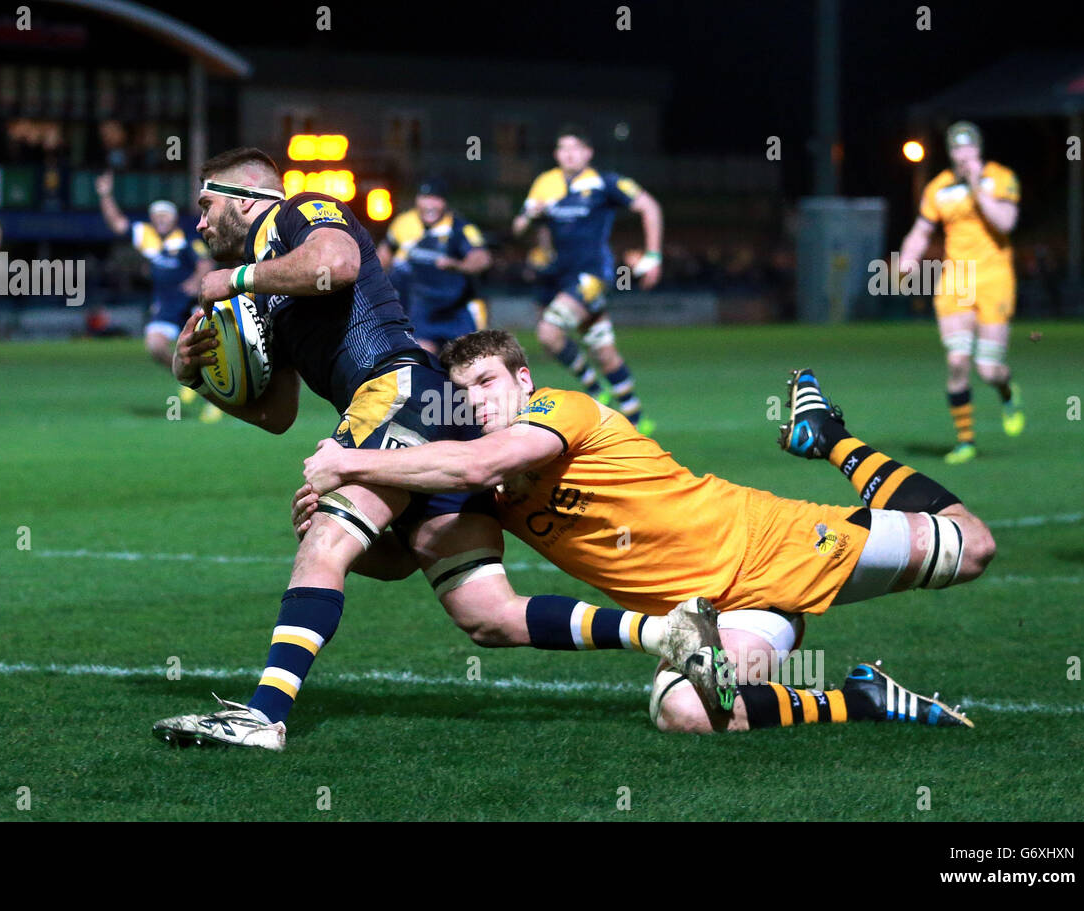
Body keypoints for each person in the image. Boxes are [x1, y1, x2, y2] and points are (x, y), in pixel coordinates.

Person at [149, 149, 726, 751]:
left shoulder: (301, 213)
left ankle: (263, 717)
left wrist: (233, 279)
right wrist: (191, 375)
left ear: (245, 198)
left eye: (206, 205)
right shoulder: (268, 289)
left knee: (324, 541)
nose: (200, 223)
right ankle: (671, 633)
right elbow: (278, 414)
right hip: (430, 410)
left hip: (396, 393)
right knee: (488, 614)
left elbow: (340, 262)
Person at [299, 329, 994, 734]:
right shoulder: (481, 486)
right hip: (715, 615)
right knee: (685, 709)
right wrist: (350, 536)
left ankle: (833, 439)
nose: (478, 401)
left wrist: (346, 462)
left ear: (523, 375)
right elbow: (419, 563)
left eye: (487, 381)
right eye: (464, 393)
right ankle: (862, 698)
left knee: (971, 546)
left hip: (774, 544)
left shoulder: (557, 410)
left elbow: (486, 456)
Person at [512, 125, 663, 435]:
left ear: (588, 153)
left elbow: (650, 207)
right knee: (604, 350)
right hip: (558, 277)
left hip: (592, 275)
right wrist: (530, 217)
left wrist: (653, 256)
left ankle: (595, 390)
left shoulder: (605, 182)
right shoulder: (546, 183)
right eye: (563, 149)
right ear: (556, 154)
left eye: (575, 148)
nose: (569, 154)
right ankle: (636, 420)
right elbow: (518, 228)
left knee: (549, 332)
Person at [895, 121, 1024, 464]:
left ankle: (1007, 390)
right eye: (956, 148)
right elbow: (922, 231)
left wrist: (976, 189)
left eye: (968, 147)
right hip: (956, 279)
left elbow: (1006, 223)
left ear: (978, 149)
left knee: (988, 368)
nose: (962, 154)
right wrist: (907, 258)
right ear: (950, 152)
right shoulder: (939, 187)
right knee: (956, 361)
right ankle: (965, 441)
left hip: (995, 277)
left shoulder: (999, 178)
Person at [95, 171, 219, 420]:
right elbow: (117, 222)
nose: (160, 220)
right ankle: (192, 379)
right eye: (156, 216)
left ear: (173, 219)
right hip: (165, 305)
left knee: (209, 351)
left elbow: (205, 265)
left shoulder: (185, 239)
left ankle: (215, 396)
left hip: (189, 305)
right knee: (154, 347)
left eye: (165, 216)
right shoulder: (146, 236)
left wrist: (193, 283)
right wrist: (105, 194)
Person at [376, 177, 491, 354]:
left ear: (445, 203)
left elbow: (482, 258)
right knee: (423, 357)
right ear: (417, 200)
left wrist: (458, 265)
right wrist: (373, 280)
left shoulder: (460, 228)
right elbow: (385, 253)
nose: (430, 204)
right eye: (425, 198)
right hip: (421, 310)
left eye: (436, 199)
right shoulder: (403, 223)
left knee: (466, 360)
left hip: (456, 309)